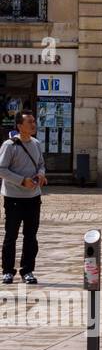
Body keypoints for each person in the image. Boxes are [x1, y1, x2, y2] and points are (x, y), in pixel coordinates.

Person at [0, 111, 46, 285]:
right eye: (29, 122)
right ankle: (7, 271)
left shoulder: (36, 143)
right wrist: (22, 181)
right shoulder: (9, 145)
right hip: (14, 198)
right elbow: (1, 169)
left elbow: (41, 164)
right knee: (11, 236)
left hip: (34, 197)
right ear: (20, 126)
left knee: (31, 236)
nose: (33, 125)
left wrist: (41, 175)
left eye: (34, 121)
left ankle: (27, 270)